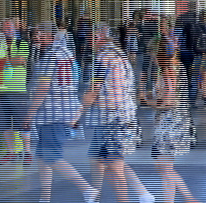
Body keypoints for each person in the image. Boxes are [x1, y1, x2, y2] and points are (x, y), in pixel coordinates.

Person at [75, 22, 153, 203]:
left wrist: (76, 117)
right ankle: (138, 193)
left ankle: (104, 197)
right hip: (120, 116)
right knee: (101, 159)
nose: (88, 43)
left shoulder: (104, 57)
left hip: (112, 118)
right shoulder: (119, 54)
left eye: (89, 38)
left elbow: (93, 91)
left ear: (98, 37)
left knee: (112, 165)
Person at [25, 24, 96, 203]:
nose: (35, 38)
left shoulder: (49, 56)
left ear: (47, 35)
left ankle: (86, 189)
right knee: (42, 156)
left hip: (52, 112)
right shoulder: (66, 52)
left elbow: (43, 88)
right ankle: (45, 197)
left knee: (52, 156)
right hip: (64, 109)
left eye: (37, 34)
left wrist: (28, 115)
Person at [151, 38, 199, 203]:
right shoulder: (178, 66)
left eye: (153, 55)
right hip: (178, 120)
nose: (153, 60)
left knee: (165, 168)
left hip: (170, 121)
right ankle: (189, 199)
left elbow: (169, 99)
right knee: (162, 167)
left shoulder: (168, 69)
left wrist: (147, 102)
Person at [0, 17, 31, 158]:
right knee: (4, 122)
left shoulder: (22, 44)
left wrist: (2, 62)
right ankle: (11, 151)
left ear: (15, 29)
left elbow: (21, 60)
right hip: (0, 89)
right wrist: (7, 62)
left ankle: (27, 151)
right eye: (5, 28)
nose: (8, 30)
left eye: (10, 27)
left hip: (18, 89)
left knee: (22, 121)